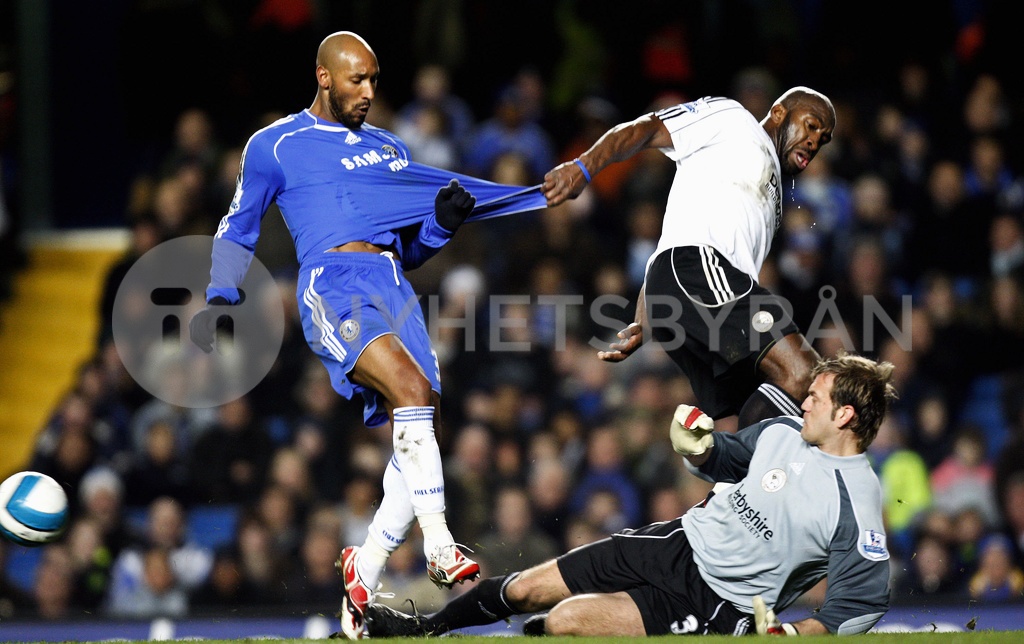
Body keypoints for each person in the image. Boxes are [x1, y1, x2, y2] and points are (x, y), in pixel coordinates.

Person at [187, 31, 544, 639]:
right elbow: (238, 222)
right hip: (334, 283)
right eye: (358, 80)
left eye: (375, 80)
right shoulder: (277, 144)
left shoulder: (387, 147)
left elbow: (406, 249)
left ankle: (365, 567)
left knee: (421, 412)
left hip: (390, 284)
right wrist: (221, 296)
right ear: (324, 77)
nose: (369, 93)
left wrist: (440, 224)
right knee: (410, 390)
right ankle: (439, 545)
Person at [364, 352, 896, 636]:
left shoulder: (857, 500)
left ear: (845, 415)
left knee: (563, 623)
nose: (804, 403)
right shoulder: (781, 433)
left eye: (817, 399)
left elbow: (859, 604)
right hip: (674, 543)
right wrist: (697, 448)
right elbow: (727, 461)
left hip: (720, 604)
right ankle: (423, 631)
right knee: (527, 589)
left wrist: (795, 635)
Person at [542, 88, 837, 427]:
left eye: (824, 139)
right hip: (699, 274)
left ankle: (729, 476)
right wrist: (584, 165)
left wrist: (647, 312)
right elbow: (648, 128)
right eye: (811, 126)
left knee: (760, 421)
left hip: (699, 290)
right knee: (806, 378)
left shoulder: (775, 198)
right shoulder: (733, 119)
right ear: (781, 112)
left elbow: (678, 233)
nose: (815, 142)